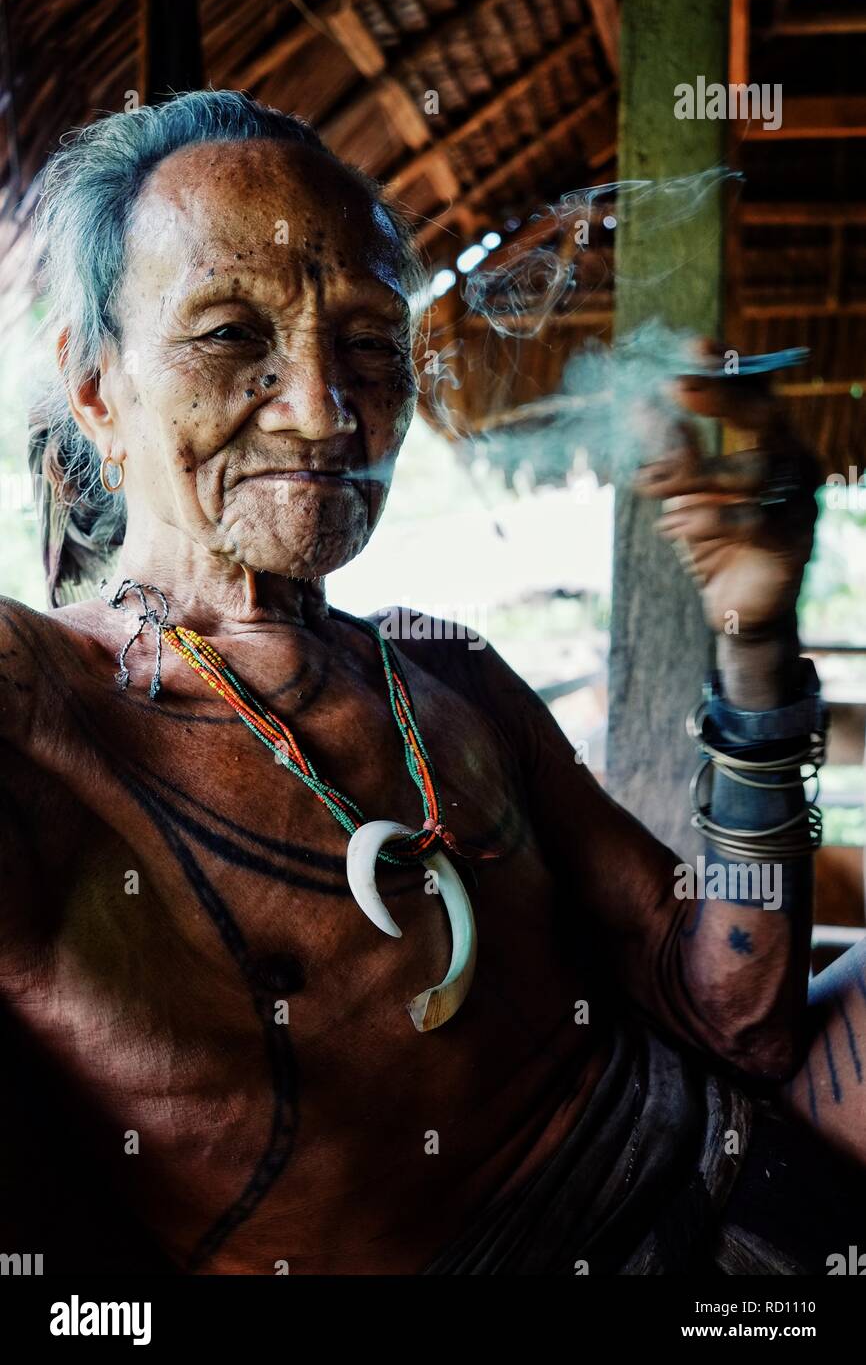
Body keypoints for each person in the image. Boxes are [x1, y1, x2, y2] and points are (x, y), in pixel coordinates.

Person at [1, 90, 864, 1276]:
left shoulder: (444, 673)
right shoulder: (44, 707)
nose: (323, 409)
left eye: (365, 341)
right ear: (96, 388)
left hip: (735, 1172)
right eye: (229, 335)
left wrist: (755, 639)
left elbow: (736, 1017)